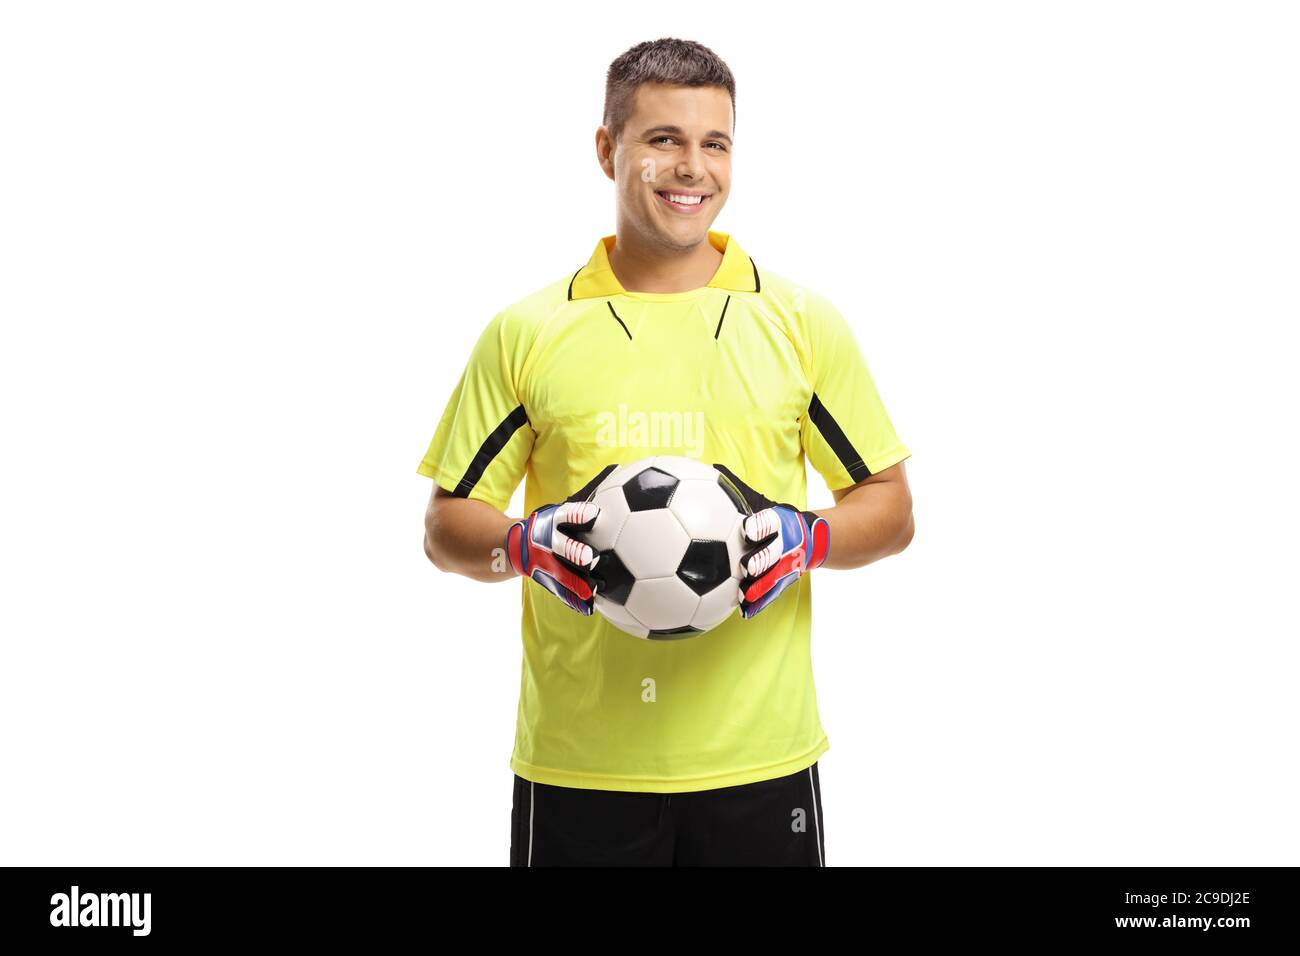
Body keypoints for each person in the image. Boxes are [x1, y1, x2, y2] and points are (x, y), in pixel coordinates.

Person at [417, 38, 914, 866]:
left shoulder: (797, 321)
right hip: (581, 771)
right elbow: (444, 527)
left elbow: (890, 506)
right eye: (663, 140)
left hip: (762, 764)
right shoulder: (529, 332)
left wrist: (810, 539)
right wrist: (518, 545)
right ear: (608, 149)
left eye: (714, 143)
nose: (693, 168)